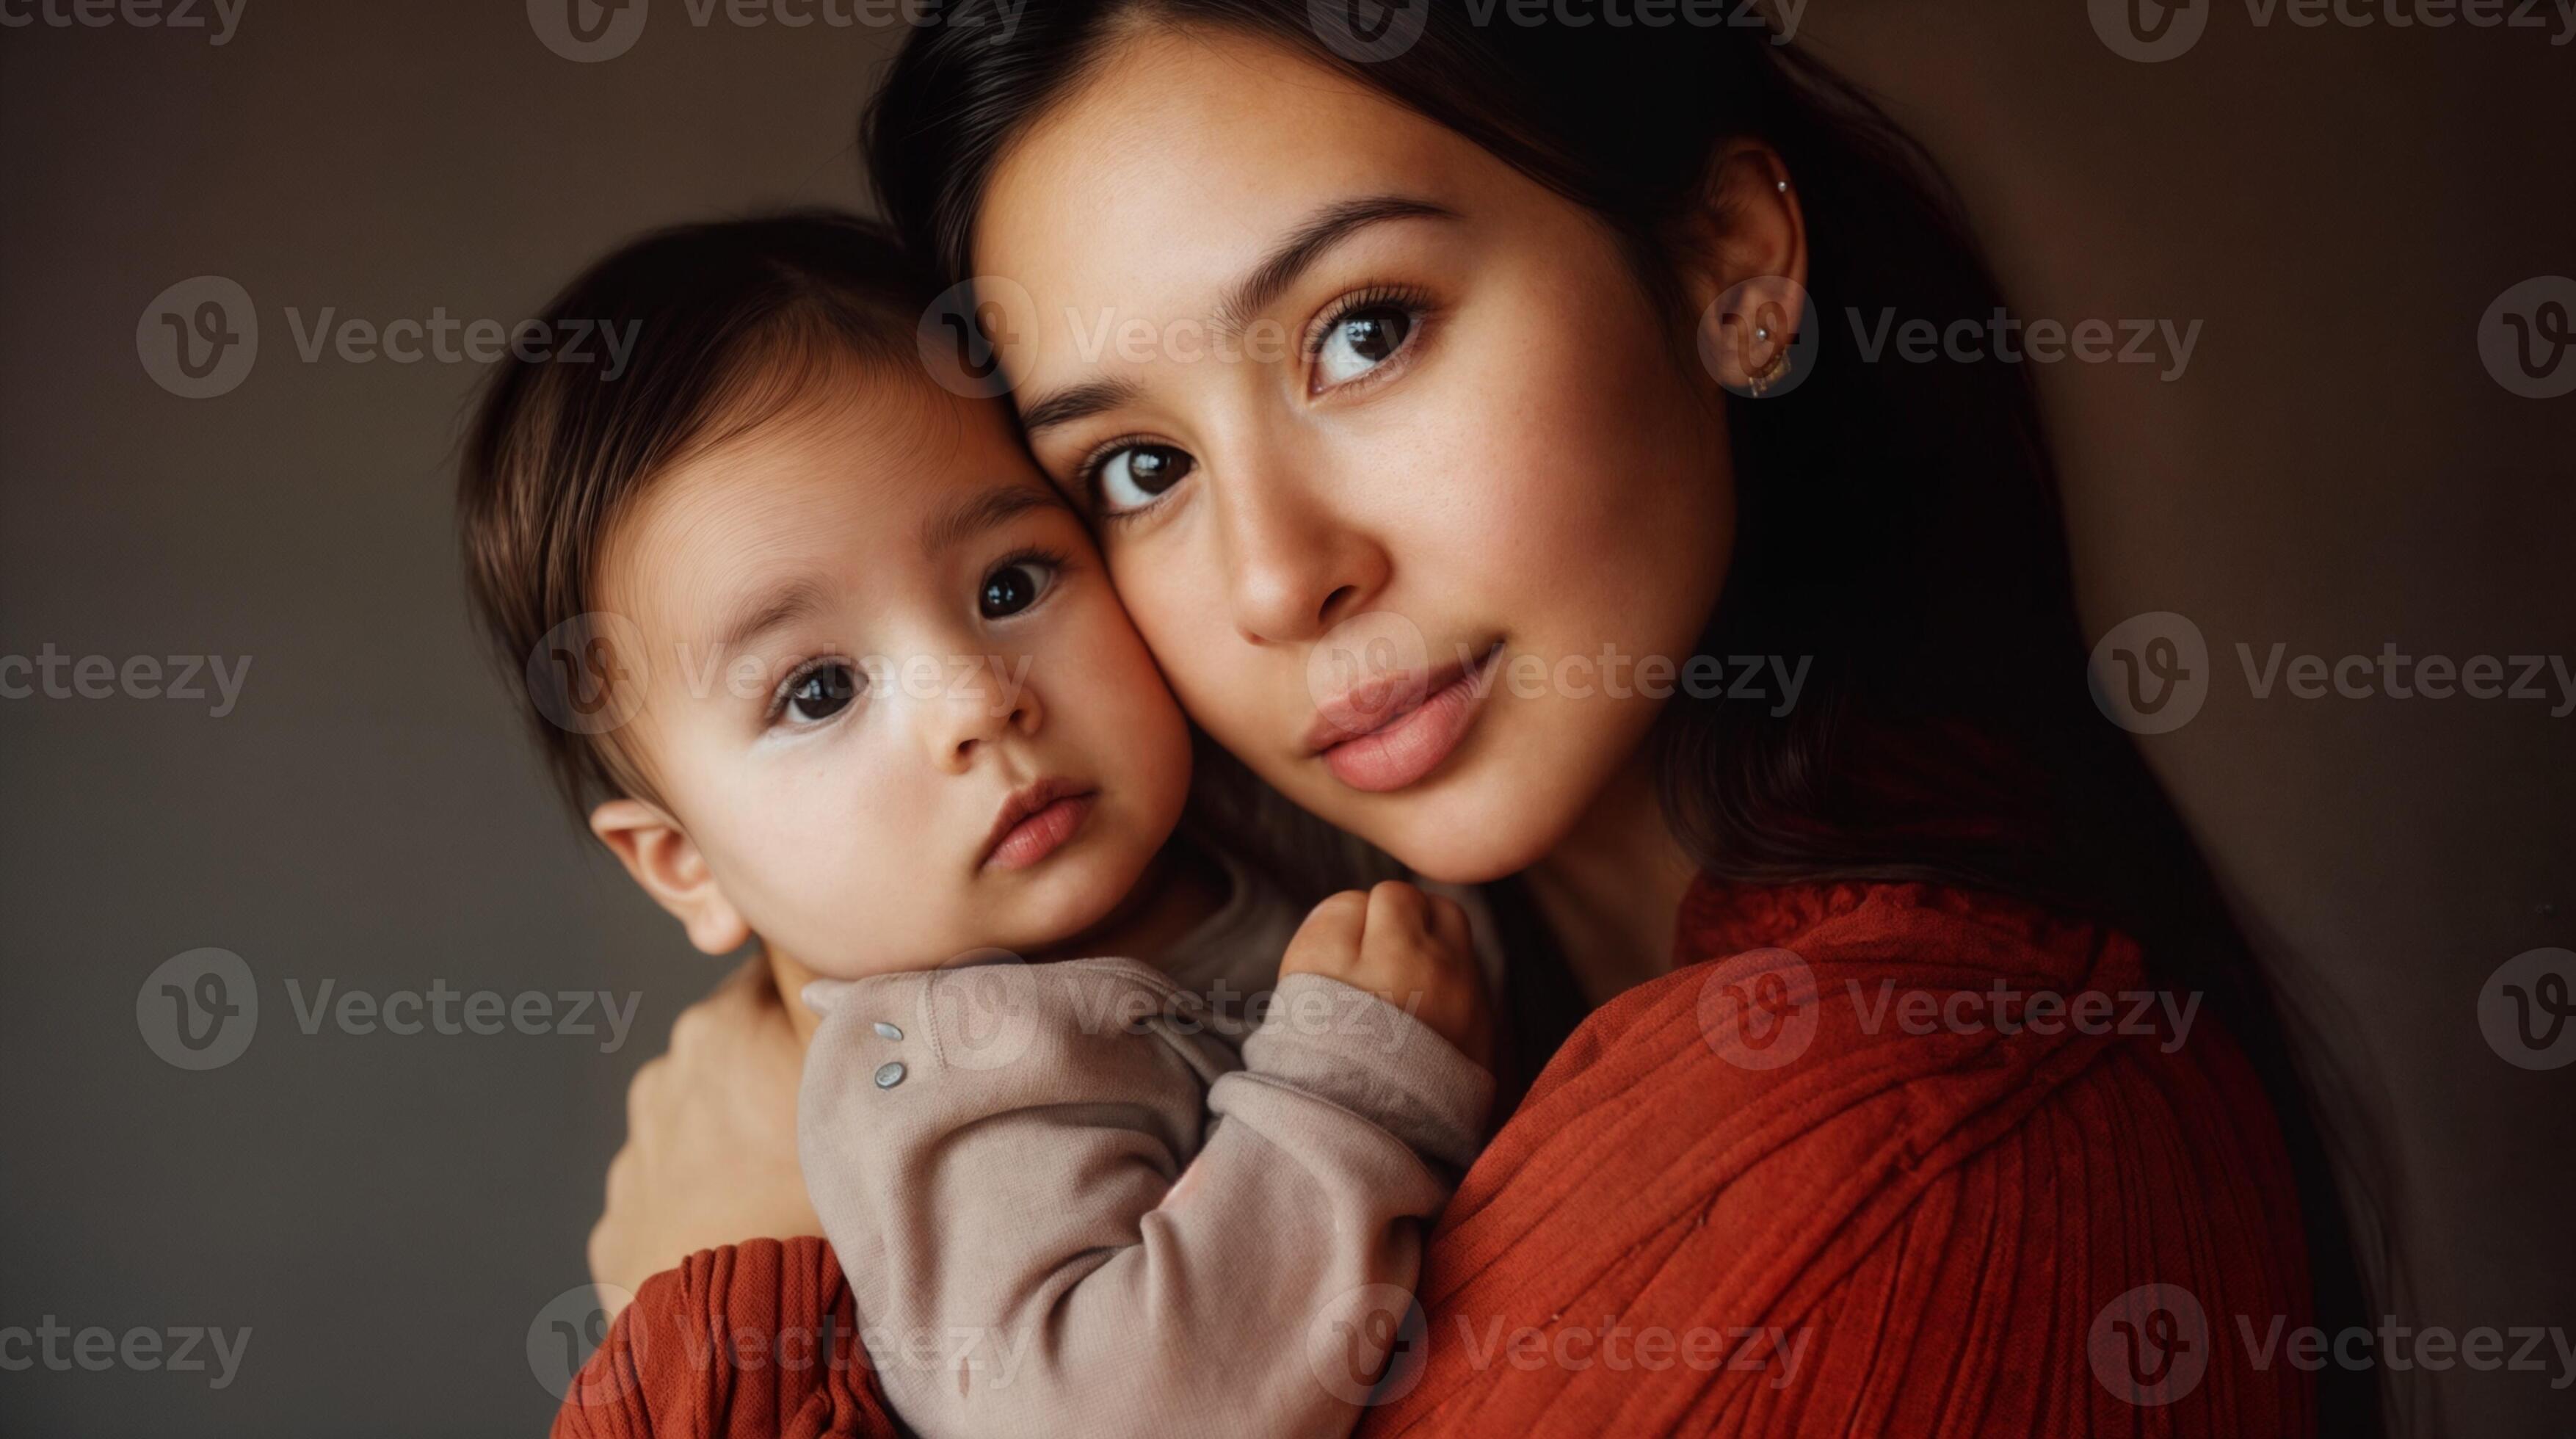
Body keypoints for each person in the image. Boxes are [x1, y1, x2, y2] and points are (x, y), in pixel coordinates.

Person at [580, 4, 2380, 1435]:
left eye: (1363, 334)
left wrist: (735, 1300)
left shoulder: (1915, 1157)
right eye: (1139, 466)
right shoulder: (1323, 1005)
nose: (1282, 575)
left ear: (1727, 261)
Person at [456, 210, 1496, 1438]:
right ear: (685, 866)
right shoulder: (944, 1079)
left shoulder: (1253, 818)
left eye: (1009, 585)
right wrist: (1353, 1091)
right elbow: (1113, 1416)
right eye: (818, 690)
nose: (976, 700)